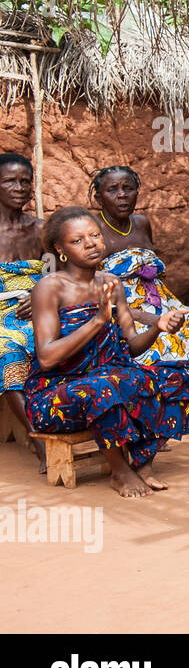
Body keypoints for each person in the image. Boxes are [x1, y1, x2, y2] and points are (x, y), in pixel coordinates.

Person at [26, 207, 189, 498]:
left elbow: (131, 346)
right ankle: (119, 470)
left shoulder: (111, 283)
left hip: (115, 379)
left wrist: (158, 327)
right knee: (107, 388)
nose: (90, 243)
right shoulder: (49, 288)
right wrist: (97, 322)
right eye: (77, 241)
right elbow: (47, 357)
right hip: (58, 395)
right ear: (59, 249)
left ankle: (144, 461)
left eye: (93, 235)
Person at [92, 165, 189, 436]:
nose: (122, 195)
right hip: (122, 309)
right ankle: (172, 416)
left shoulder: (141, 223)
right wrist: (149, 318)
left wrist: (165, 311)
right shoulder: (92, 231)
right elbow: (92, 287)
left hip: (163, 300)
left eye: (128, 189)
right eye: (113, 190)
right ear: (98, 197)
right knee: (168, 340)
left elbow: (153, 274)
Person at [0, 153, 46, 469]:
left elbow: (63, 272)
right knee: (8, 348)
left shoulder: (41, 229)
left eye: (25, 181)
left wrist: (41, 294)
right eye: (10, 181)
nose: (20, 187)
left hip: (40, 307)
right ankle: (39, 439)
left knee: (84, 334)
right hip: (2, 315)